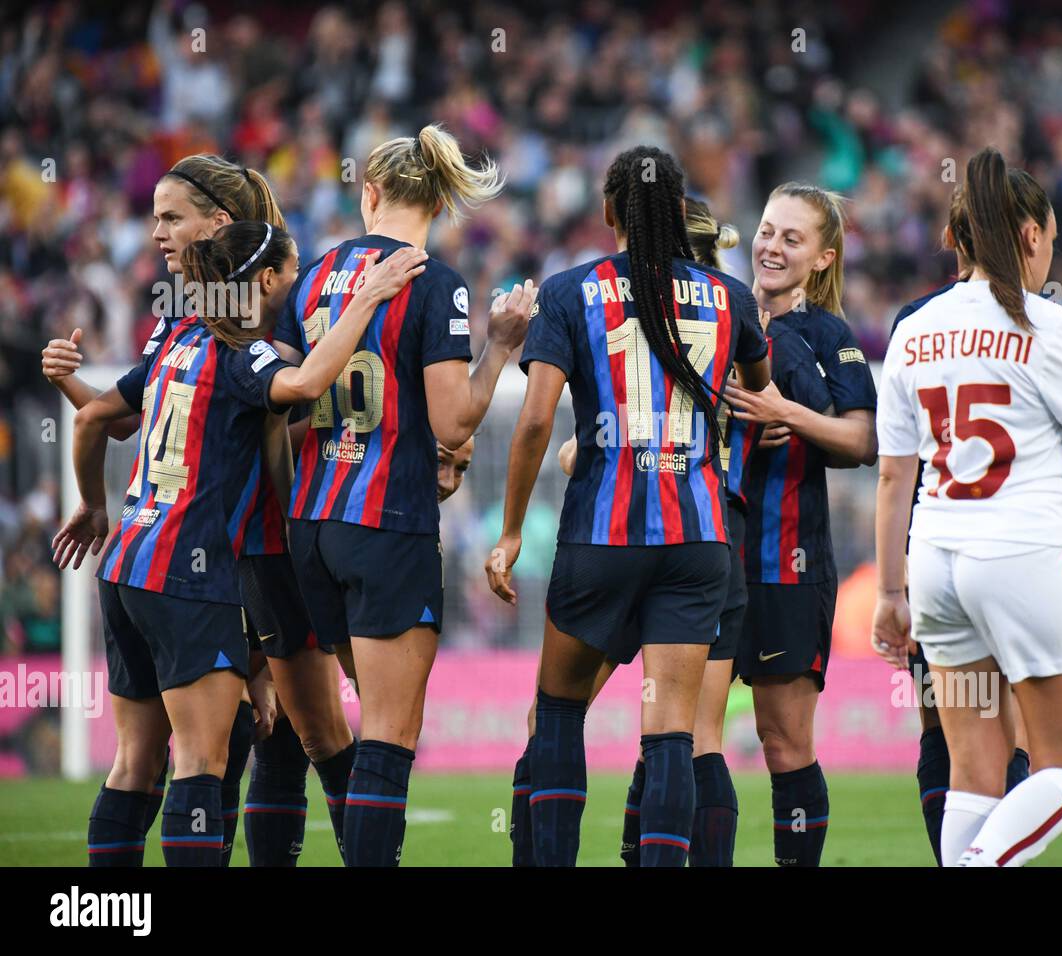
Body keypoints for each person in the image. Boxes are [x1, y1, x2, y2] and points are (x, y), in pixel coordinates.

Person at [53, 219, 425, 866]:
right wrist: (368, 297)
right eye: (290, 270)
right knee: (200, 763)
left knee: (135, 764)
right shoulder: (242, 350)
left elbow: (89, 419)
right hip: (187, 575)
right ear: (263, 279)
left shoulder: (178, 341)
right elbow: (306, 386)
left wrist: (93, 504)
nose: (298, 280)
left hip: (124, 569)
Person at [872, 147, 1062, 866]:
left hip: (935, 561)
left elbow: (891, 475)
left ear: (959, 238)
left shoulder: (912, 329)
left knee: (973, 770)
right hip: (1023, 556)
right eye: (1052, 238)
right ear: (1030, 236)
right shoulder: (1051, 325)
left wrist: (889, 590)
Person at [486, 146, 770, 867]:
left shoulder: (569, 291)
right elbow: (759, 396)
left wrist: (514, 529)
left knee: (557, 713)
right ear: (682, 212)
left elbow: (534, 424)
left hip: (600, 539)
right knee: (672, 730)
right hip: (700, 537)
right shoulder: (730, 297)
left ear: (609, 211)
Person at [272, 124, 532, 866]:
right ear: (437, 203)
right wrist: (502, 345)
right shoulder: (435, 282)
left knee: (345, 731)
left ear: (371, 193)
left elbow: (283, 410)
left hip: (312, 527)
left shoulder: (317, 276)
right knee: (390, 733)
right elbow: (454, 417)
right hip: (387, 526)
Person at [719, 182, 877, 866]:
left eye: (792, 238)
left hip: (789, 564)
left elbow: (862, 442)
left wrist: (790, 416)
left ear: (822, 258)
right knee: (678, 736)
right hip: (704, 562)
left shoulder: (828, 336)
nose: (771, 246)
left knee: (783, 744)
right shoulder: (715, 313)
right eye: (766, 230)